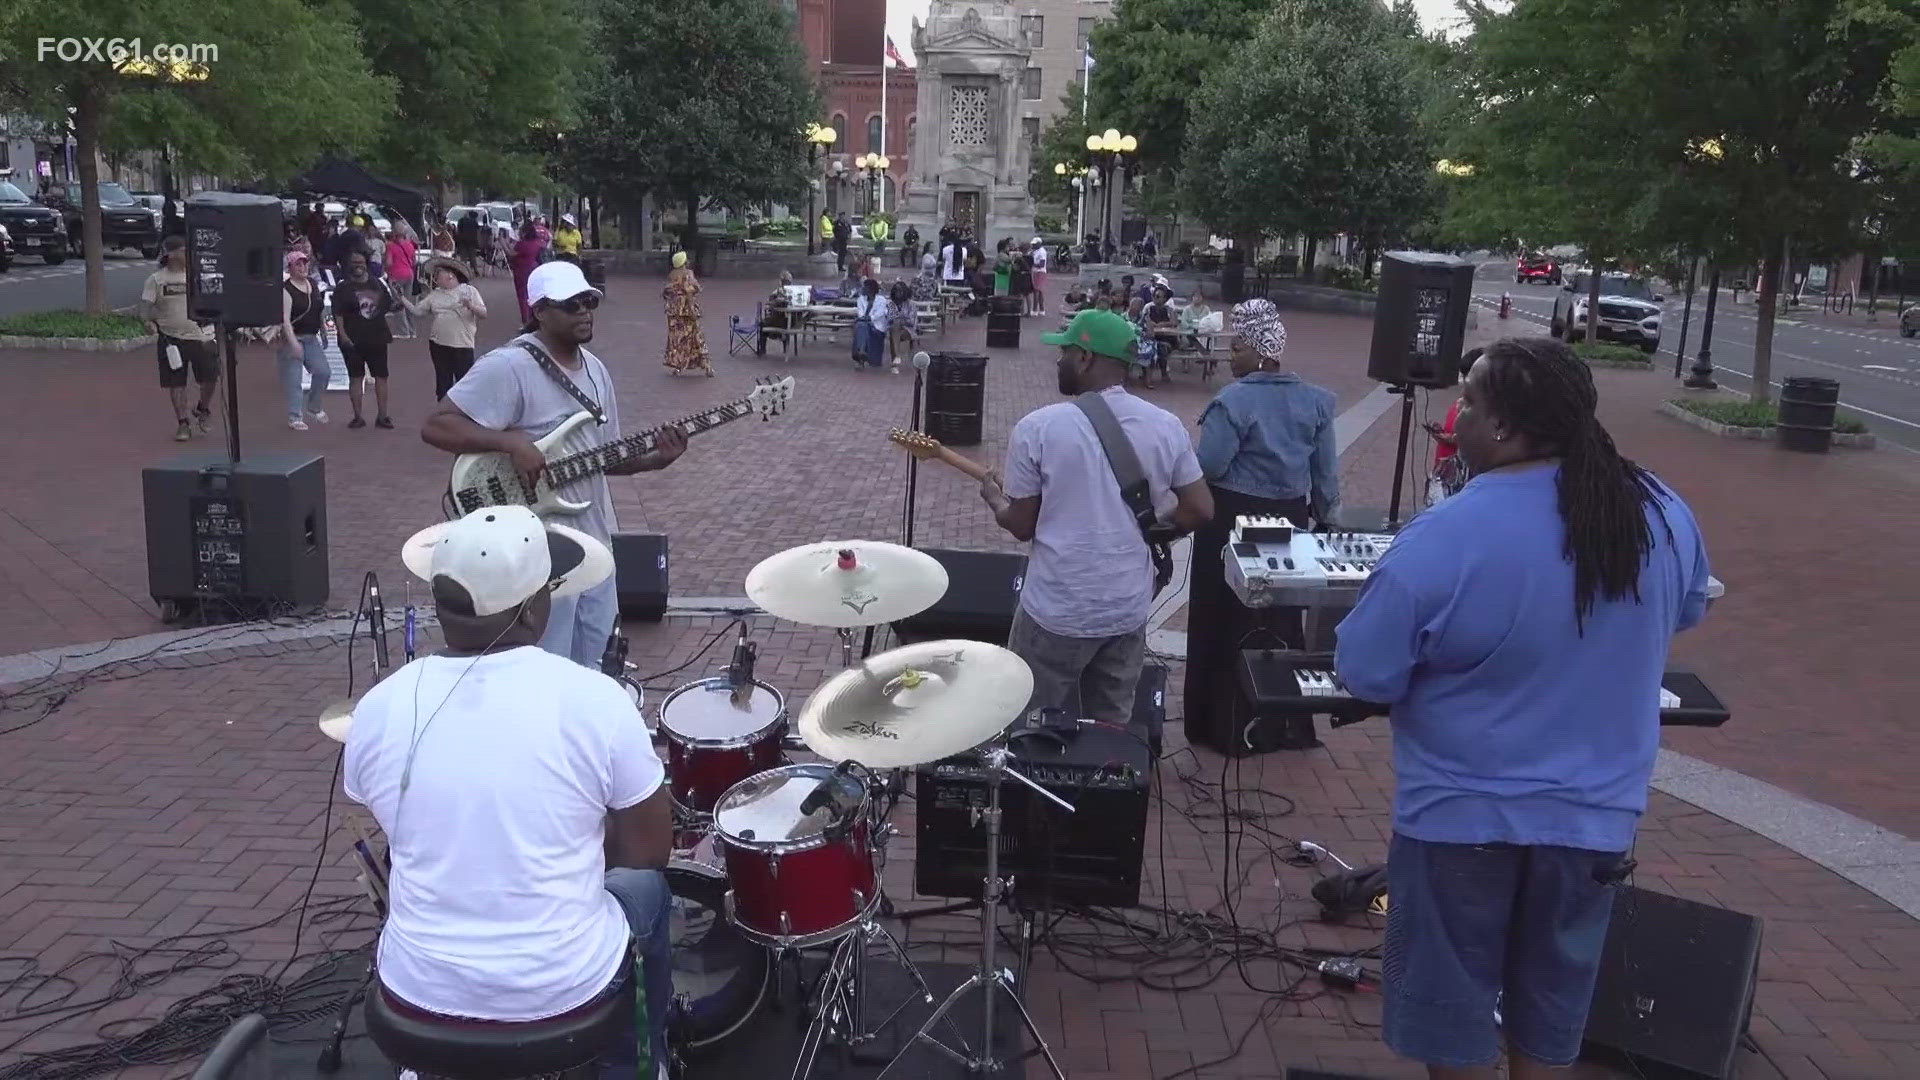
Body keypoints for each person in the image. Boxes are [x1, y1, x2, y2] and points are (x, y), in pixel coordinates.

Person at [1334, 336, 1711, 1080]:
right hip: (1595, 822)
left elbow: (1367, 674)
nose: (1455, 418)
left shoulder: (1445, 535)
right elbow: (1685, 610)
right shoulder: (1662, 511)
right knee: (1550, 1016)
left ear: (1503, 428)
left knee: (1455, 1019)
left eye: (1468, 402)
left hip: (1460, 823)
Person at [344, 505, 675, 1079]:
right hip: (560, 990)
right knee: (646, 894)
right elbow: (648, 852)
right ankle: (642, 1067)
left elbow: (400, 822)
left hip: (415, 990)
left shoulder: (377, 707)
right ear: (532, 609)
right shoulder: (595, 699)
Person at [424, 260, 690, 666]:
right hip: (539, 556)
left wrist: (657, 460)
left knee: (602, 667)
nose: (583, 312)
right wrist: (511, 442)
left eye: (588, 302)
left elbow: (603, 457)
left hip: (595, 547)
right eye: (571, 305)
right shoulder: (509, 366)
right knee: (547, 669)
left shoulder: (596, 371)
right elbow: (437, 427)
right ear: (540, 312)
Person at [978, 309, 1213, 721]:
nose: (1058, 359)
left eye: (1065, 350)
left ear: (1085, 357)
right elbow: (1200, 508)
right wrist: (1154, 531)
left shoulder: (1039, 428)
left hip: (1056, 609)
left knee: (1030, 723)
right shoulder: (1166, 426)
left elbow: (1020, 525)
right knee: (1111, 728)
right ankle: (1106, 782)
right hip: (1126, 607)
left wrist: (995, 499)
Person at [1184, 299, 1339, 737]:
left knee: (1225, 616)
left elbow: (1210, 466)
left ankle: (1222, 725)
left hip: (1232, 521)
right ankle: (1281, 724)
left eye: (1238, 348)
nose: (1232, 356)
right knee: (1279, 619)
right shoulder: (1317, 401)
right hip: (1290, 520)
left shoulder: (1233, 400)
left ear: (1263, 352)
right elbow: (1325, 476)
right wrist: (1326, 521)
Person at [140, 236, 220, 442]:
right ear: (171, 254)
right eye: (184, 251)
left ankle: (203, 408)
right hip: (171, 339)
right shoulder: (156, 280)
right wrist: (148, 322)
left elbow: (215, 300)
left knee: (210, 378)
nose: (189, 255)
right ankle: (183, 423)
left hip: (203, 336)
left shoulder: (198, 276)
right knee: (176, 382)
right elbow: (144, 309)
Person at [398, 257, 488, 400]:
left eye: (438, 274)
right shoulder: (435, 294)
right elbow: (418, 311)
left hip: (462, 345)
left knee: (464, 382)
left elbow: (483, 313)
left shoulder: (469, 292)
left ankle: (464, 413)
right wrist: (402, 299)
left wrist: (471, 306)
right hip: (438, 344)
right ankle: (442, 411)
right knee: (443, 382)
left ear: (450, 276)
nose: (435, 278)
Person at [332, 251, 398, 430]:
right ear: (348, 265)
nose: (357, 265)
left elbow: (388, 305)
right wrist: (343, 336)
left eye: (361, 262)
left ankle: (383, 416)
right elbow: (337, 314)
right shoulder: (343, 287)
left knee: (381, 377)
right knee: (355, 378)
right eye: (354, 262)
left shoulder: (377, 283)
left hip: (377, 337)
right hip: (352, 340)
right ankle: (357, 417)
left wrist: (398, 301)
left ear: (366, 263)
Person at [277, 250, 331, 431]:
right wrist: (292, 343)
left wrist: (323, 331)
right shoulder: (286, 290)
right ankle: (295, 416)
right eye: (298, 264)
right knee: (294, 379)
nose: (302, 267)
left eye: (305, 263)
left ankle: (314, 406)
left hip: (311, 337)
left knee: (323, 372)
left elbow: (318, 310)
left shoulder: (313, 284)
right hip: (294, 338)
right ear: (290, 268)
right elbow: (285, 319)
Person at [1424, 347, 1486, 505]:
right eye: (1464, 375)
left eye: (1468, 375)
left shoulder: (1483, 407)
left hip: (1461, 478)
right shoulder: (1464, 400)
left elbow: (1479, 438)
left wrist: (1452, 439)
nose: (1465, 380)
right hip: (1447, 466)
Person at [662, 251, 713, 376]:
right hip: (686, 313)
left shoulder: (671, 276)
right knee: (696, 338)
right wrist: (692, 310)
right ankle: (707, 367)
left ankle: (678, 366)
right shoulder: (688, 275)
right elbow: (689, 293)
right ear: (684, 262)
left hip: (673, 314)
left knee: (677, 340)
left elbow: (665, 294)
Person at [511, 221, 547, 325]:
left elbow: (511, 253)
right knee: (532, 295)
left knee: (523, 297)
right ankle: (533, 319)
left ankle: (526, 322)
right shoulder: (538, 243)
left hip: (522, 271)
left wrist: (502, 242)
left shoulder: (522, 244)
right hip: (534, 269)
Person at [385, 226, 418, 338]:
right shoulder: (409, 244)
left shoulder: (390, 246)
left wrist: (385, 269)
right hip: (409, 274)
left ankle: (403, 331)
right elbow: (414, 261)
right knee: (408, 302)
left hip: (396, 275)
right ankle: (412, 330)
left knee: (398, 301)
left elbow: (389, 262)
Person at [885, 280, 918, 373]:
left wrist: (901, 320)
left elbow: (912, 321)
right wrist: (898, 320)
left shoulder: (911, 304)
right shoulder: (891, 304)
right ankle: (896, 360)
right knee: (894, 330)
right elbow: (889, 318)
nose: (897, 293)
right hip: (894, 329)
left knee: (895, 327)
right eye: (895, 291)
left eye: (900, 291)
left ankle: (895, 359)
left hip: (908, 330)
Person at [455, 210, 485, 276]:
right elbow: (478, 232)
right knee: (472, 257)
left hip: (462, 240)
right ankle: (475, 270)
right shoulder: (474, 222)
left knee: (463, 257)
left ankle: (463, 271)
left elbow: (457, 231)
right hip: (472, 241)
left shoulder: (461, 220)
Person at [1029, 237, 1050, 317]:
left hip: (1039, 272)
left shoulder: (1042, 252)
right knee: (1040, 291)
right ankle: (1041, 309)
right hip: (1036, 272)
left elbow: (1042, 264)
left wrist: (1032, 264)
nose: (1033, 245)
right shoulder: (1035, 251)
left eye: (1034, 244)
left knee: (1036, 291)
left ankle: (1034, 310)